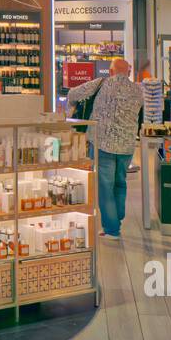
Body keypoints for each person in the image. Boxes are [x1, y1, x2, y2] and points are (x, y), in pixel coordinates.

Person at [65, 57, 143, 240]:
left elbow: (73, 94)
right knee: (120, 183)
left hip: (103, 143)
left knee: (105, 186)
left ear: (111, 71)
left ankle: (111, 228)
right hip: (127, 146)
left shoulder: (100, 83)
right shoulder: (137, 90)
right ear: (129, 72)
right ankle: (117, 220)